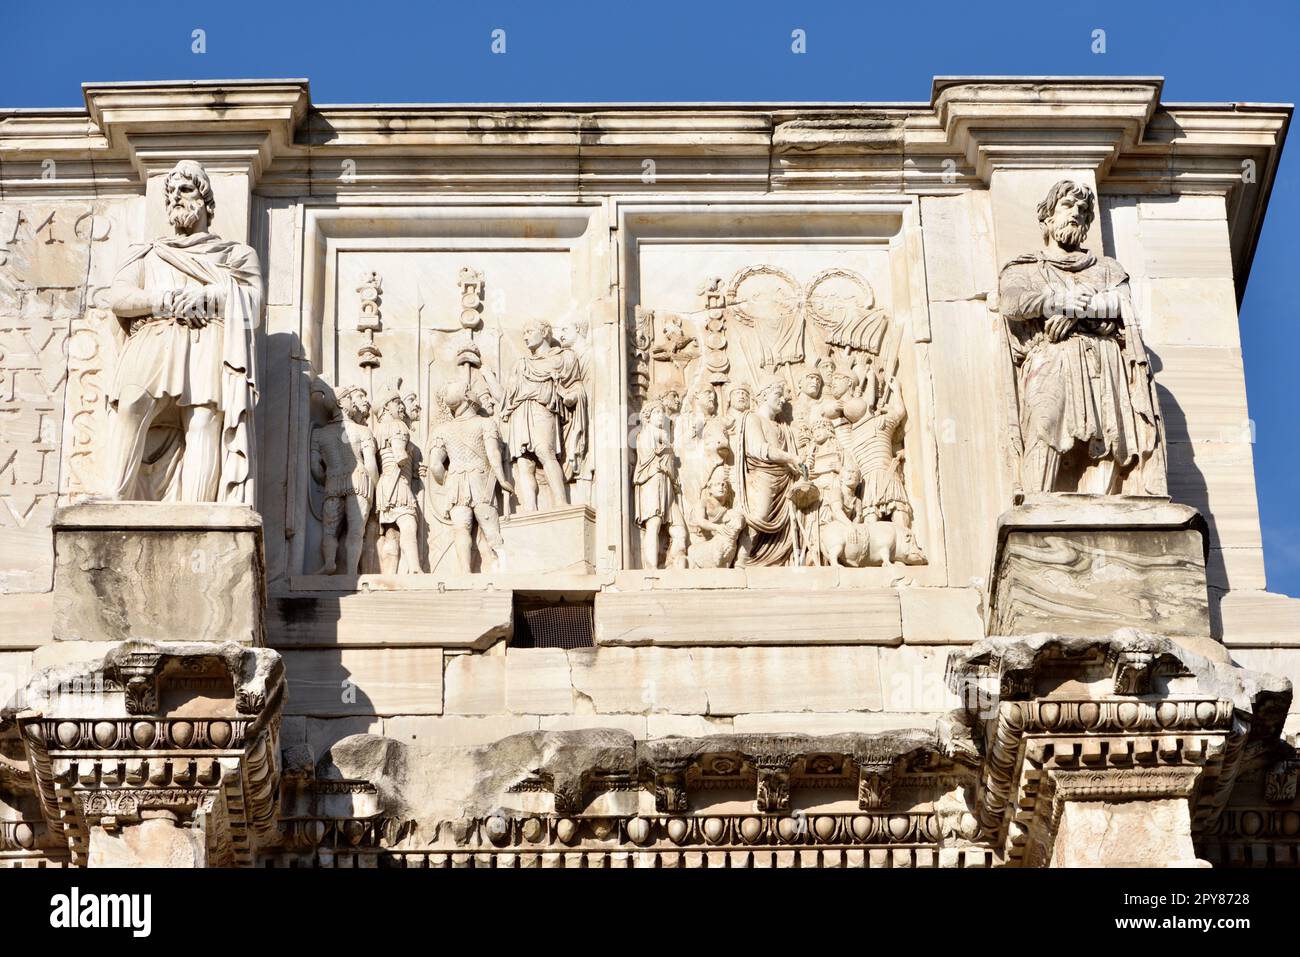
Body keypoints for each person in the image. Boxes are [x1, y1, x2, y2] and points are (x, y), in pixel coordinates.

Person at [998, 179, 1166, 496]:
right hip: (1050, 361)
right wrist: (1057, 302)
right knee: (1044, 424)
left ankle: (1105, 506)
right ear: (1047, 217)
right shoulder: (1025, 268)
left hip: (1104, 361)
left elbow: (1121, 305)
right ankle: (1036, 501)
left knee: (1111, 435)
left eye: (1083, 210)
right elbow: (1012, 301)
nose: (1076, 213)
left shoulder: (1106, 268)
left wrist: (1073, 314)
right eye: (1067, 205)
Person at [107, 159, 261, 502]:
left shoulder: (235, 255)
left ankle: (197, 511)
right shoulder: (148, 252)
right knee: (131, 405)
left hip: (207, 338)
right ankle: (114, 496)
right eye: (171, 192)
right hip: (153, 335)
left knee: (203, 420)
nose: (176, 197)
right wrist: (166, 300)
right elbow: (118, 297)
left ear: (204, 200)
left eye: (186, 189)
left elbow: (253, 304)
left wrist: (203, 297)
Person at [425, 382, 513, 573]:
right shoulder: (486, 423)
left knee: (461, 529)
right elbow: (493, 455)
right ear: (467, 398)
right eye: (469, 389)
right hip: (481, 480)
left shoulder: (442, 430)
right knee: (491, 530)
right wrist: (503, 480)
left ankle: (465, 572)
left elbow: (435, 465)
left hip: (456, 483)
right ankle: (503, 569)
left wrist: (445, 480)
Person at [500, 319, 577, 511]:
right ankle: (530, 508)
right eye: (523, 333)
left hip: (543, 408)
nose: (525, 337)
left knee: (545, 451)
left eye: (529, 331)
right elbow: (507, 395)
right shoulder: (521, 364)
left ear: (544, 332)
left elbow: (575, 386)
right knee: (524, 462)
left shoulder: (563, 358)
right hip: (520, 411)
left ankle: (560, 502)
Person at [309, 384, 378, 575]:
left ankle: (330, 563)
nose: (353, 403)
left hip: (333, 481)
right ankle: (351, 573)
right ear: (340, 402)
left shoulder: (319, 434)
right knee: (356, 531)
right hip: (359, 480)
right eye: (349, 398)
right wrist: (374, 491)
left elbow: (315, 468)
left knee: (329, 531)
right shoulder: (363, 431)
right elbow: (371, 465)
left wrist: (326, 480)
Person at [733, 378, 803, 566]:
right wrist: (790, 458)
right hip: (762, 474)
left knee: (792, 518)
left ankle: (779, 558)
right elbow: (759, 449)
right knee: (760, 515)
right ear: (764, 396)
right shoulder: (752, 419)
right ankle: (742, 557)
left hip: (783, 479)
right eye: (777, 395)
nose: (782, 400)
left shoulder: (782, 427)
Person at [374, 384, 421, 573]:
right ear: (386, 407)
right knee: (409, 524)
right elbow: (400, 455)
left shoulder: (377, 430)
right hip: (398, 483)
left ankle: (395, 573)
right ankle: (416, 567)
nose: (401, 407)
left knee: (391, 534)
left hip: (383, 485)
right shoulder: (398, 426)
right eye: (397, 402)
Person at [633, 400, 682, 568]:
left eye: (662, 412)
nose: (661, 415)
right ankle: (651, 567)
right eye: (656, 412)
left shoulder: (656, 434)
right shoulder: (650, 433)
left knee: (668, 524)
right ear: (648, 417)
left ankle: (669, 561)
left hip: (663, 480)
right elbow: (657, 455)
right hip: (653, 480)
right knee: (653, 523)